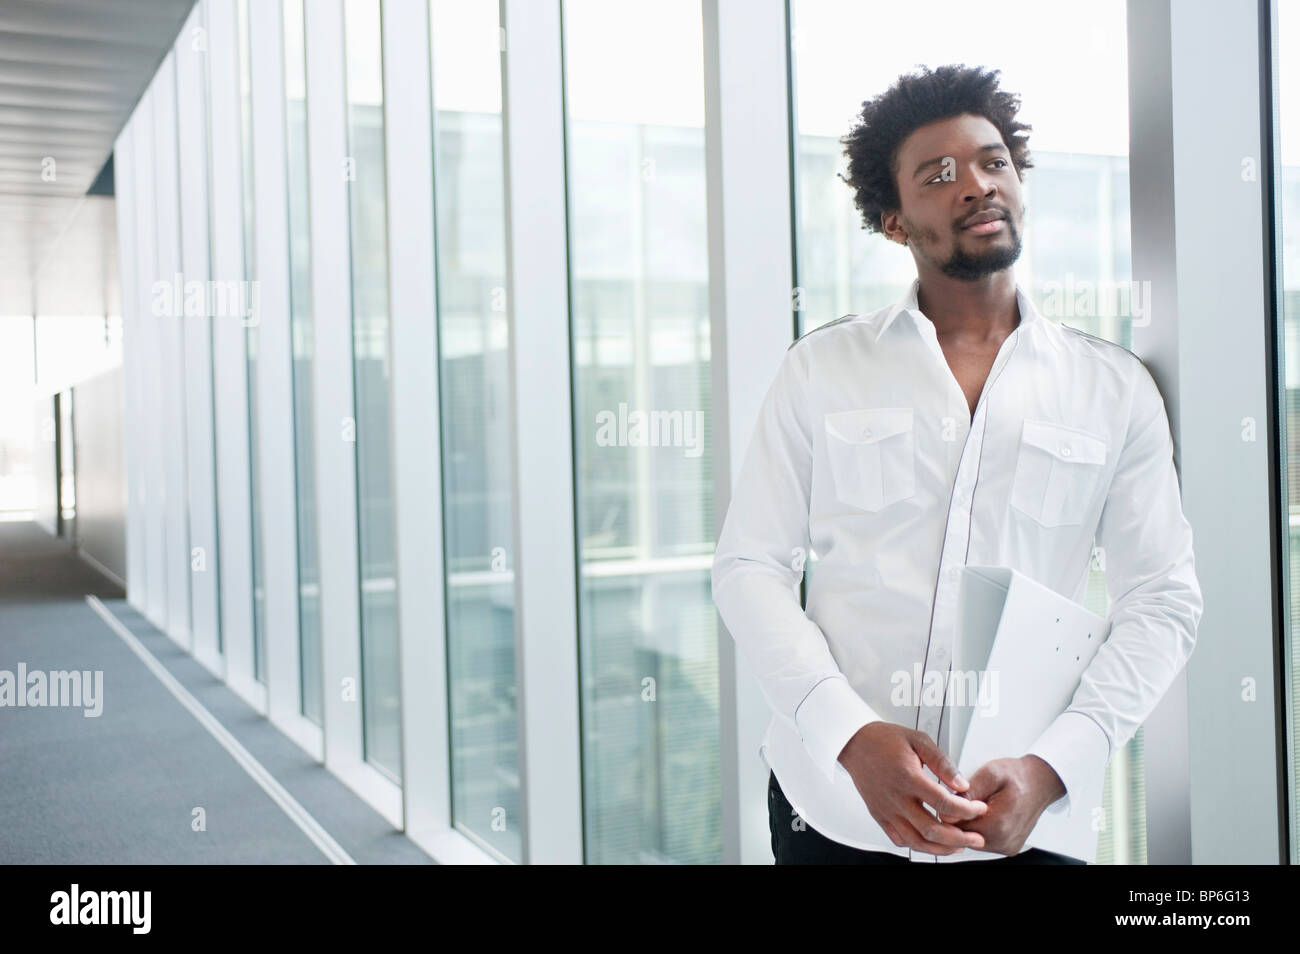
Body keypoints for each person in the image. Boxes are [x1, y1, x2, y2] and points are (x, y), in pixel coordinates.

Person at [710, 64, 1203, 865]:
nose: (975, 184)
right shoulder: (820, 369)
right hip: (832, 811)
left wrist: (1055, 767)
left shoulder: (1115, 390)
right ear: (895, 221)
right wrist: (849, 736)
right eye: (938, 176)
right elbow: (749, 567)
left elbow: (1164, 602)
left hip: (1030, 820)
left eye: (993, 161)